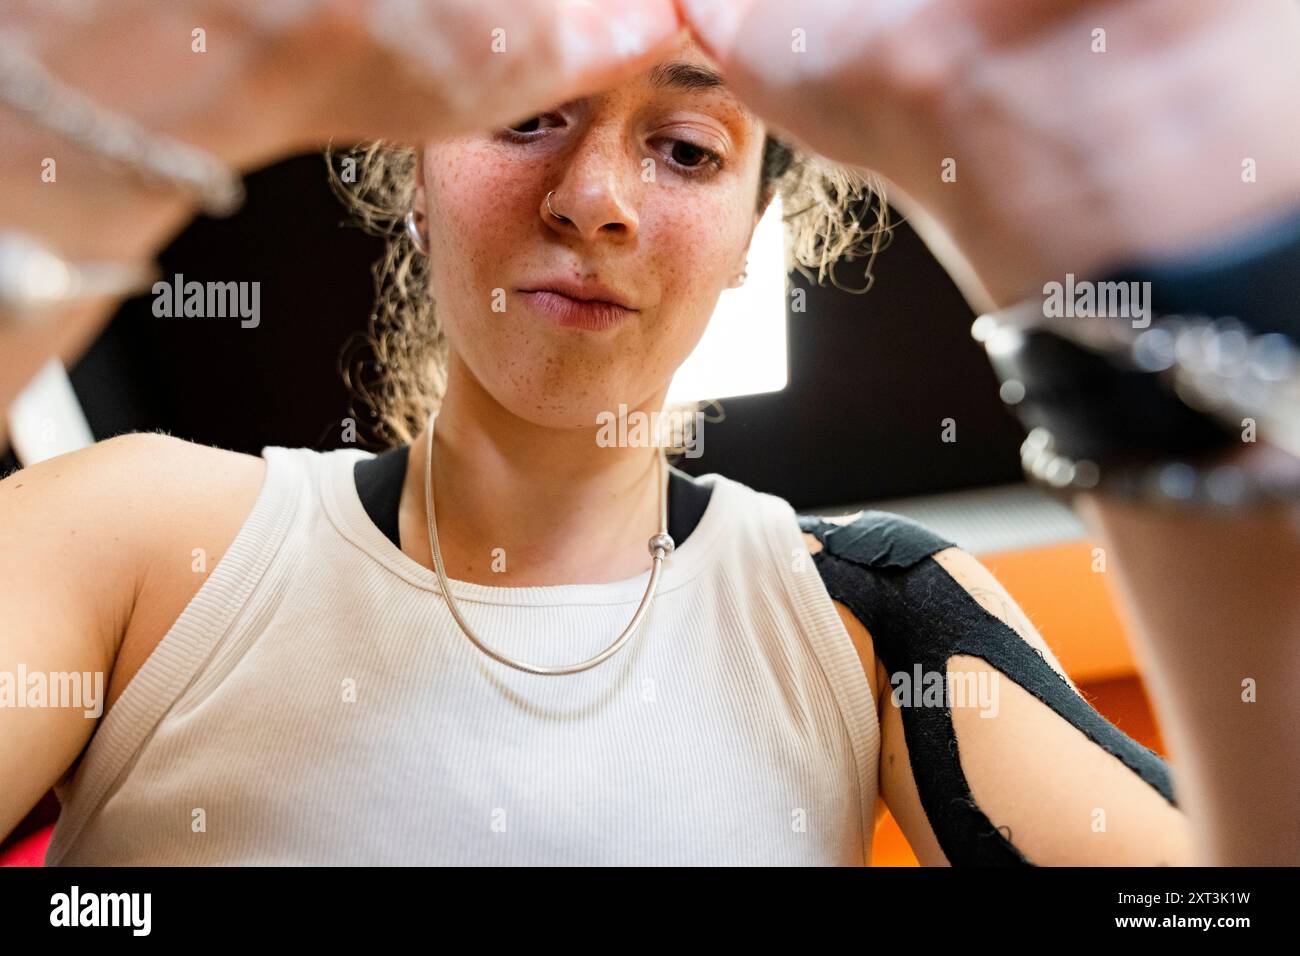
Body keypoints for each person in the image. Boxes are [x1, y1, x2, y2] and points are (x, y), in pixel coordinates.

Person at [0, 0, 1296, 864]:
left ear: (748, 243)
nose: (595, 199)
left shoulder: (866, 615)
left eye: (685, 148)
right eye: (527, 115)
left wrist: (1109, 252)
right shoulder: (136, 536)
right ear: (413, 179)